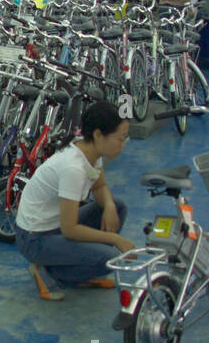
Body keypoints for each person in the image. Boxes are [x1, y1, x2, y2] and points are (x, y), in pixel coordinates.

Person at [14, 101, 133, 302]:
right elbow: (70, 229)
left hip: (54, 225)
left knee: (118, 207)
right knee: (110, 258)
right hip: (35, 238)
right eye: (120, 139)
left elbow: (99, 186)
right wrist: (115, 239)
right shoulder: (73, 169)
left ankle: (84, 269)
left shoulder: (91, 151)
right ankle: (48, 274)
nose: (122, 145)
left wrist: (110, 206)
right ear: (98, 134)